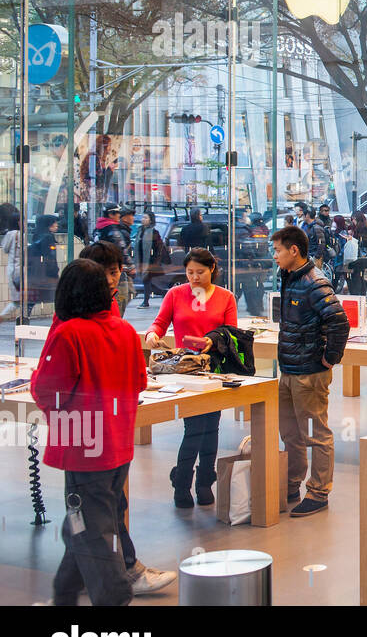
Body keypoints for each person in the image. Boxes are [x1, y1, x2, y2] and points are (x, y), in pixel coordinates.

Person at [32, 259, 174, 605]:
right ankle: (63, 596)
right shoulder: (124, 330)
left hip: (83, 447)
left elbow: (47, 392)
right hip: (116, 444)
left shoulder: (69, 333)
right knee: (85, 522)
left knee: (90, 530)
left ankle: (115, 597)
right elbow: (140, 381)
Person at [144, 248, 238, 508]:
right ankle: (185, 482)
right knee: (195, 427)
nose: (194, 278)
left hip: (215, 369)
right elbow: (159, 323)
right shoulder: (175, 294)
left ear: (212, 270)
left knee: (211, 426)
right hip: (185, 370)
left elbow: (232, 334)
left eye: (200, 272)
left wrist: (213, 340)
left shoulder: (225, 297)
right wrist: (152, 335)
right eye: (189, 273)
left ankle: (203, 482)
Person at [271, 225, 350, 516]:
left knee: (317, 434)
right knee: (290, 432)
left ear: (294, 250)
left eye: (278, 250)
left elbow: (339, 322)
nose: (275, 255)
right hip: (289, 369)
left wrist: (329, 359)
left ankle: (318, 491)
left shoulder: (314, 281)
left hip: (309, 371)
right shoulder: (289, 277)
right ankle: (292, 483)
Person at [94, 205, 134, 313]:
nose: (119, 216)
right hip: (116, 270)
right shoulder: (113, 229)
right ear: (110, 214)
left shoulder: (99, 228)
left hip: (100, 270)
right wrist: (131, 266)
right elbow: (122, 249)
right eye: (117, 213)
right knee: (120, 297)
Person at [27, 214, 60, 316]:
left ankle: (27, 310)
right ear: (49, 225)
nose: (57, 225)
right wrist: (54, 270)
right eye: (54, 223)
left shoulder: (37, 235)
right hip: (47, 272)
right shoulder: (48, 237)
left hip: (37, 271)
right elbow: (50, 256)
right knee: (59, 294)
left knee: (37, 294)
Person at [135, 212, 169, 309]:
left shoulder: (154, 232)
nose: (143, 219)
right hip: (141, 260)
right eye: (143, 217)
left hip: (150, 261)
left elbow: (159, 247)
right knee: (148, 282)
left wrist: (155, 261)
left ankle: (146, 302)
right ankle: (165, 293)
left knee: (146, 280)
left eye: (145, 218)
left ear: (151, 220)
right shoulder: (140, 230)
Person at [0, 207, 22, 320]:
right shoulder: (19, 234)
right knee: (19, 301)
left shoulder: (9, 234)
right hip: (18, 272)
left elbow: (5, 249)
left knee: (20, 300)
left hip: (12, 270)